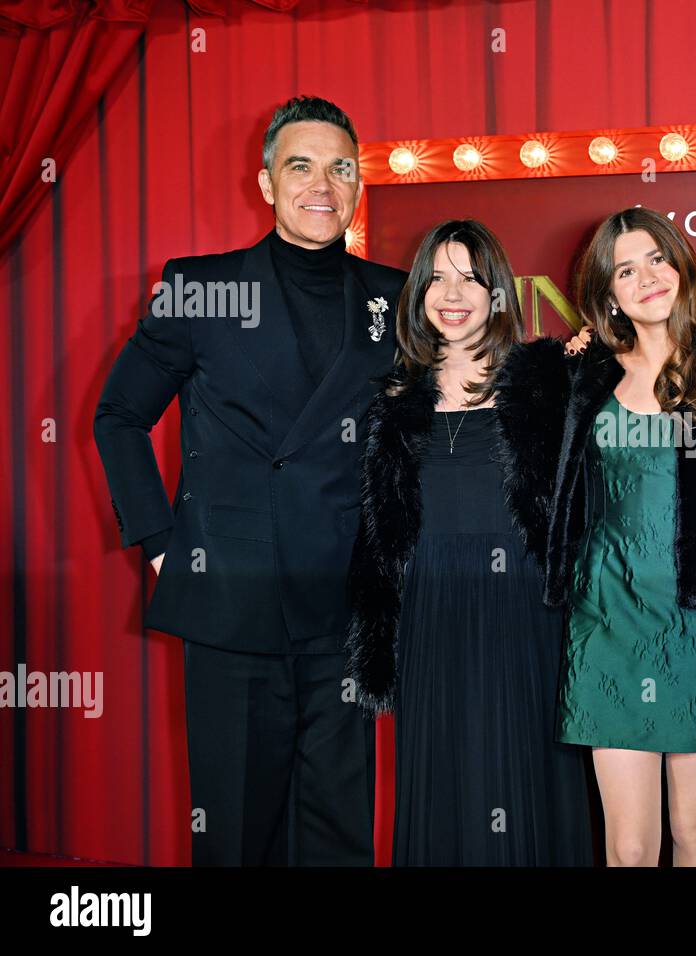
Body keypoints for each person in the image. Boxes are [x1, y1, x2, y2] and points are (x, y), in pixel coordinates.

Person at [93, 96, 407, 865]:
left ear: (358, 183)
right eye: (301, 166)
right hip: (232, 600)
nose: (322, 186)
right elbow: (119, 415)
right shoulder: (200, 288)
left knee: (337, 835)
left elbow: (444, 420)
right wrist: (162, 542)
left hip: (345, 606)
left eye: (341, 168)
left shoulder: (397, 297)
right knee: (234, 833)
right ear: (266, 182)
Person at [497, 207, 696, 866]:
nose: (647, 278)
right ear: (607, 293)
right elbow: (524, 457)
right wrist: (565, 357)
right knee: (630, 846)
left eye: (657, 260)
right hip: (606, 621)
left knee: (695, 833)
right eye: (625, 270)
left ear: (682, 266)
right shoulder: (583, 376)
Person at [344, 220, 592, 865]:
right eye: (436, 278)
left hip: (524, 607)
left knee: (523, 765)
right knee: (442, 771)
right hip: (428, 607)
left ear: (497, 291)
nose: (452, 294)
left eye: (470, 279)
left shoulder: (546, 383)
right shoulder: (393, 395)